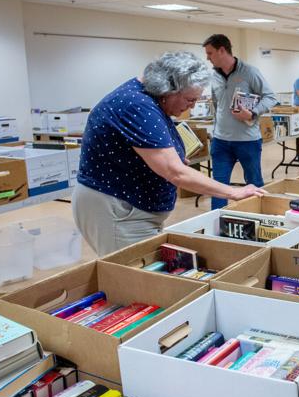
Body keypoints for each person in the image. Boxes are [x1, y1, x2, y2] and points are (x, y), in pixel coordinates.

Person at [72, 51, 264, 255]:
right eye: (190, 100)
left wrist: (173, 157)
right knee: (136, 279)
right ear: (167, 91)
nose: (192, 106)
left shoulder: (150, 99)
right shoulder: (137, 105)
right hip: (119, 210)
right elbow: (175, 172)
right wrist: (233, 192)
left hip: (132, 208)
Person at [204, 34, 277, 209]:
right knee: (218, 187)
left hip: (247, 141)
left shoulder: (249, 72)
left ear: (222, 50)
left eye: (210, 53)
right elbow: (216, 104)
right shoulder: (213, 76)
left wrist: (252, 113)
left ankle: (258, 219)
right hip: (220, 141)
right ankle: (217, 226)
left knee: (254, 184)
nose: (207, 57)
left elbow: (270, 97)